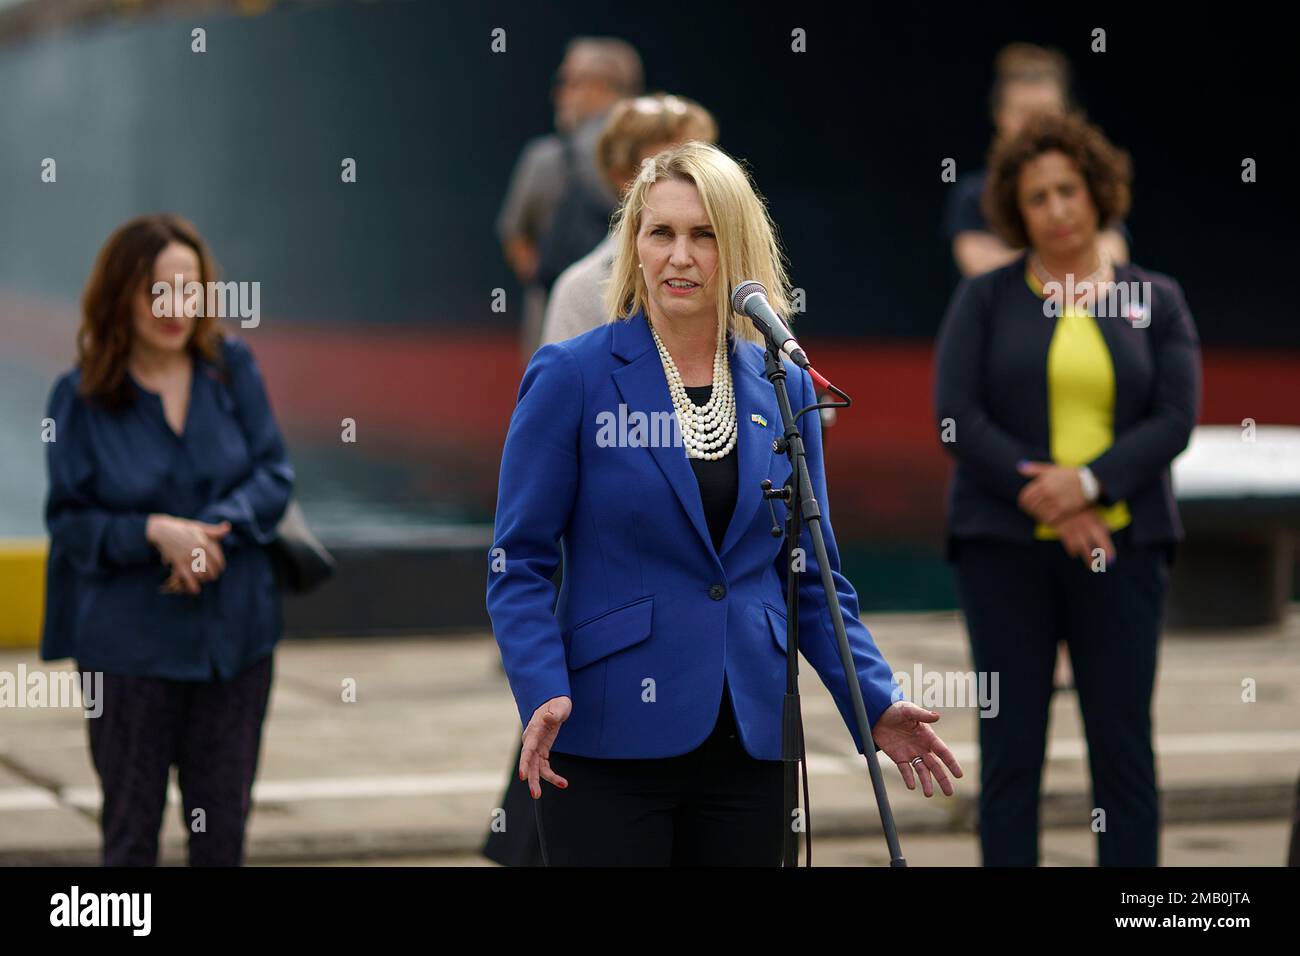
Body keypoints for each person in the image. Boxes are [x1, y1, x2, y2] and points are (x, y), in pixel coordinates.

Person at [487, 142, 962, 866]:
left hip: (752, 735)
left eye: (703, 235)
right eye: (660, 233)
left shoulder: (785, 385)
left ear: (735, 247)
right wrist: (540, 685)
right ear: (635, 247)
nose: (680, 256)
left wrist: (875, 699)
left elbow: (814, 577)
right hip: (610, 734)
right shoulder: (572, 377)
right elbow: (516, 561)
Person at [933, 112, 1201, 866]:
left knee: (1123, 749)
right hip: (1001, 551)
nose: (1055, 209)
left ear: (1098, 193)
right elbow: (957, 418)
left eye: (1068, 191)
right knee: (1010, 749)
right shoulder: (984, 300)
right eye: (1037, 197)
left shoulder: (1157, 298)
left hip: (1123, 545)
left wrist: (1086, 488)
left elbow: (1175, 417)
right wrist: (1047, 498)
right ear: (1017, 212)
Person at [40, 213, 294, 866]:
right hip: (130, 657)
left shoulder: (233, 370)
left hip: (233, 647)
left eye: (189, 289)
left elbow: (274, 474)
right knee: (129, 840)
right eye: (157, 290)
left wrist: (215, 533)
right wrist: (156, 532)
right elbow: (70, 522)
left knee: (222, 841)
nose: (176, 307)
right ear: (120, 294)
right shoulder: (79, 399)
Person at [496, 37, 643, 363]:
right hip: (635, 323)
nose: (558, 94)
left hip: (554, 326)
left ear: (599, 86)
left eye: (567, 82)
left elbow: (514, 234)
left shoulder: (545, 158)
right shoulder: (663, 155)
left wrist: (552, 278)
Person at [540, 92, 718, 346]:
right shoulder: (582, 289)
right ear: (621, 176)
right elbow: (563, 382)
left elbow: (777, 375)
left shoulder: (741, 276)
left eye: (696, 164)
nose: (682, 178)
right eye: (661, 168)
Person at [944, 42, 1129, 278]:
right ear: (1000, 115)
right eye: (1024, 113)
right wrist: (1062, 261)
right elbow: (978, 265)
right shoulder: (973, 193)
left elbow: (1113, 254)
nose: (1034, 126)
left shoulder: (1092, 183)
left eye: (1067, 191)